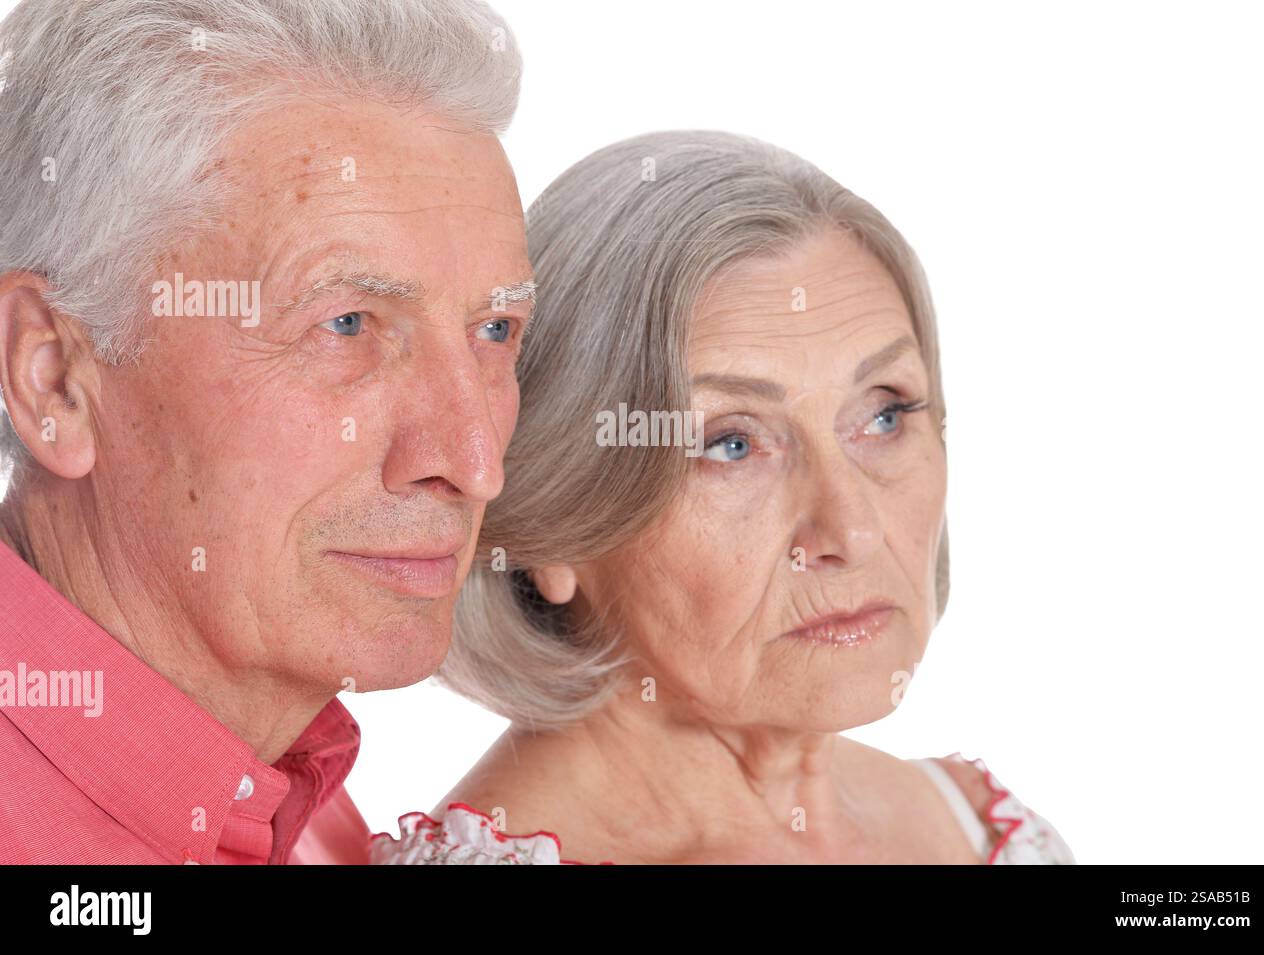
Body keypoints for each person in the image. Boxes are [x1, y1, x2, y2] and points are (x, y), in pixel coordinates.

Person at [371, 131, 1076, 865]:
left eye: (885, 413)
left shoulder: (982, 824)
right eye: (731, 443)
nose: (853, 529)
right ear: (556, 529)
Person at [0, 0, 532, 864]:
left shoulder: (296, 800)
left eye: (496, 331)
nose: (473, 463)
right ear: (53, 373)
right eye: (348, 324)